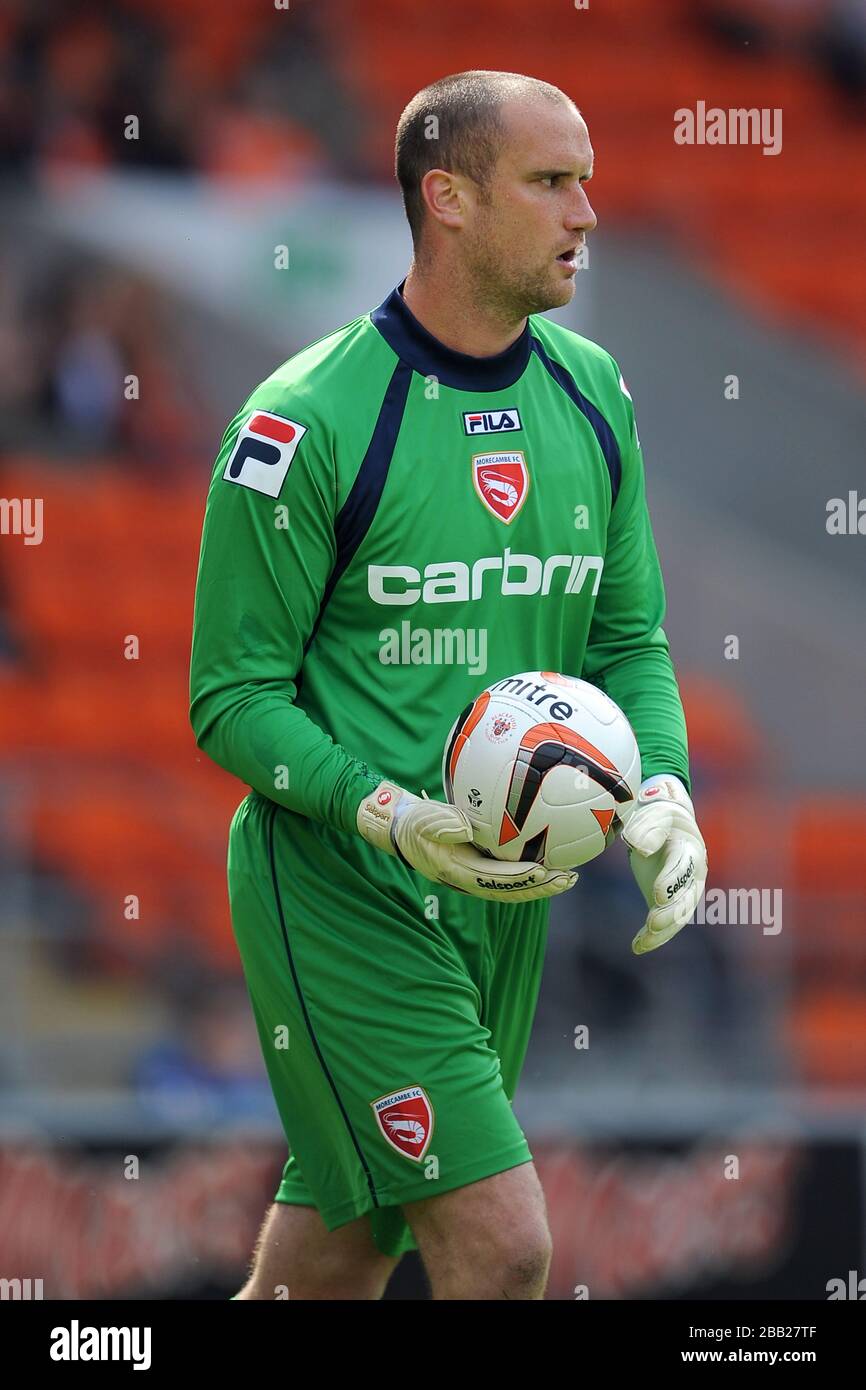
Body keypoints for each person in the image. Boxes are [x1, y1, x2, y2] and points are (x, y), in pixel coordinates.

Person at [189, 69, 707, 1301]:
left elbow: (627, 641)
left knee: (333, 1261)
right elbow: (230, 698)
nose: (585, 212)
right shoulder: (303, 421)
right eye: (551, 181)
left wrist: (664, 786)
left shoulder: (592, 392)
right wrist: (391, 815)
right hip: (346, 888)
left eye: (585, 179)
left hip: (506, 895)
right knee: (500, 1240)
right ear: (449, 198)